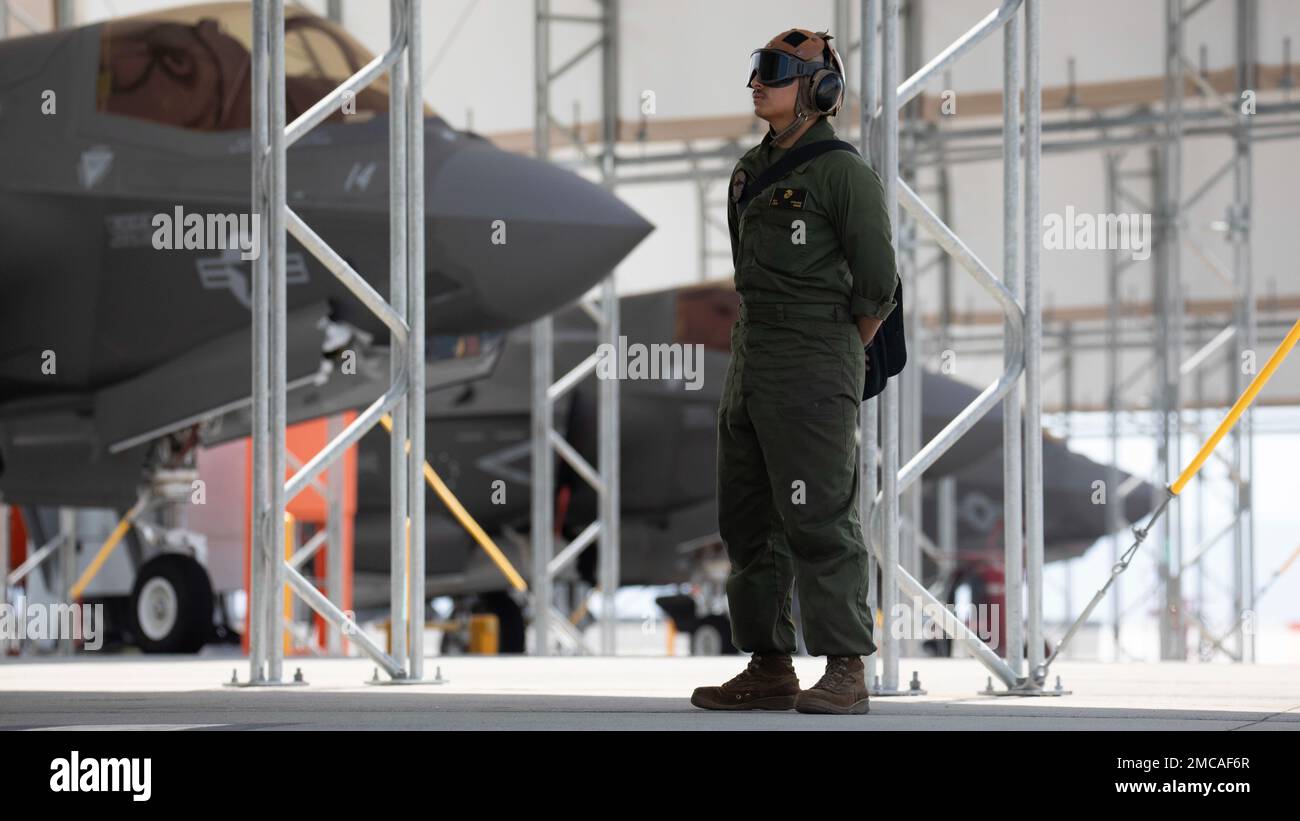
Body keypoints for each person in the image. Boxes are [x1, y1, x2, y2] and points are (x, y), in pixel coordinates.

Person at [690, 28, 899, 715]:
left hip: (812, 357)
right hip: (751, 359)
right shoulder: (749, 170)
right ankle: (769, 664)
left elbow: (877, 281)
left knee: (820, 514)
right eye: (757, 71)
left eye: (775, 72)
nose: (757, 83)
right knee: (746, 517)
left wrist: (834, 347)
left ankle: (846, 667)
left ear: (820, 89)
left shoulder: (842, 172)